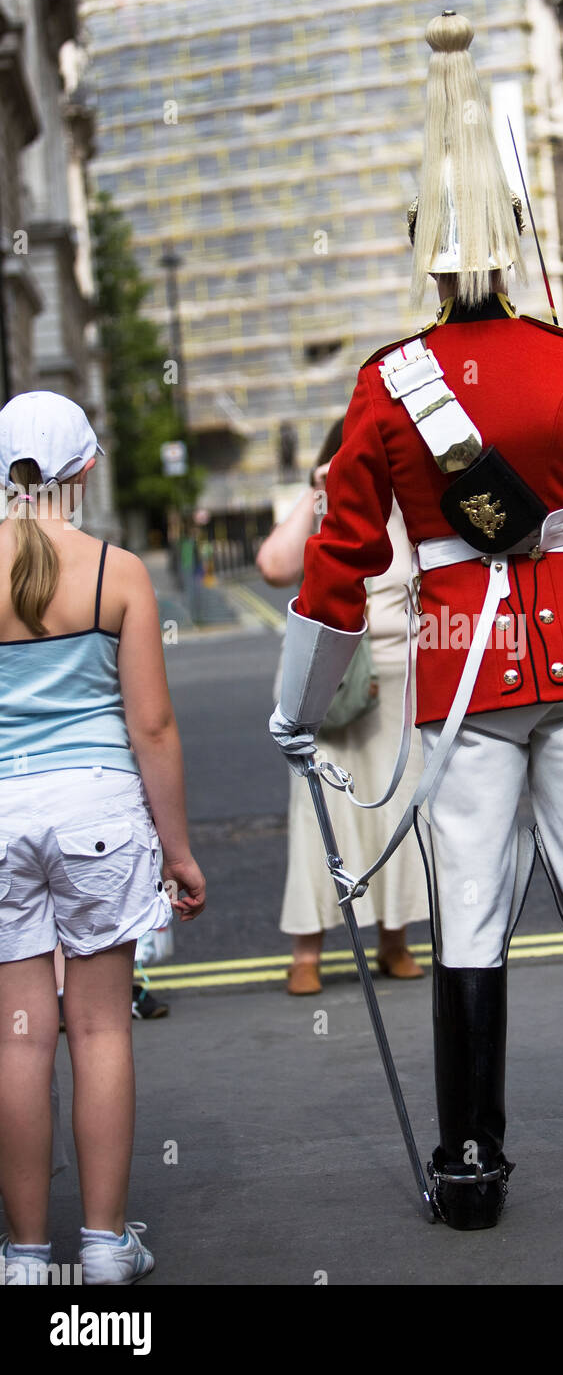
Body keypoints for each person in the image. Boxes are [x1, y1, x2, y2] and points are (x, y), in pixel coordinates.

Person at [270, 12, 563, 1230]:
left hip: (463, 671)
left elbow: (339, 562)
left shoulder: (387, 381)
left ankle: (468, 1169)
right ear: (513, 251)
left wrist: (301, 704)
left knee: (469, 917)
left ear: (420, 247)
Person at [0, 391, 206, 1285]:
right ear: (82, 474)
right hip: (98, 814)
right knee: (100, 1032)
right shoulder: (116, 573)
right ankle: (105, 1244)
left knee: (16, 1040)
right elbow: (152, 727)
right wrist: (179, 852)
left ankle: (25, 1254)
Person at [257, 420, 426, 993]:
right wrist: (318, 491)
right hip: (325, 671)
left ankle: (393, 938)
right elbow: (275, 567)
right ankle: (307, 951)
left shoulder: (405, 505)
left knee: (396, 807)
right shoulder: (325, 504)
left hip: (398, 679)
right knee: (318, 811)